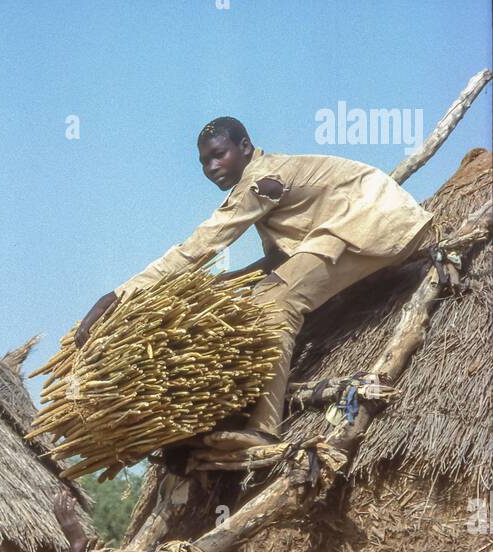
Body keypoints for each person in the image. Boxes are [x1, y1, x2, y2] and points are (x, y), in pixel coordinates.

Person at [75, 116, 433, 454]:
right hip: (364, 221)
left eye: (219, 154)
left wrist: (120, 294)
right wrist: (224, 284)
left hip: (373, 220)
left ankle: (262, 428)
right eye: (203, 162)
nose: (211, 167)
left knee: (276, 302)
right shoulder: (268, 179)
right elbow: (279, 260)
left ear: (245, 146)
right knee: (267, 288)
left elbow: (198, 249)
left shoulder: (260, 182)